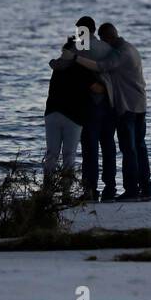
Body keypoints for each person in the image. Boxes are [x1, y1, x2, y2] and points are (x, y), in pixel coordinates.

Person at [74, 23, 151, 201]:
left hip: (127, 107)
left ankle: (132, 190)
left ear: (106, 38)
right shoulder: (131, 48)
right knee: (139, 147)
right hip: (139, 105)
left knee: (129, 149)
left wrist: (76, 58)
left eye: (103, 40)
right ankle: (146, 188)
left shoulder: (120, 53)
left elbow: (101, 66)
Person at [50, 16, 118, 201]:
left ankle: (90, 190)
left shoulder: (80, 47)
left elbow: (63, 64)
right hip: (109, 102)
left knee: (90, 148)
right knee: (109, 146)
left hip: (91, 103)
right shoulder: (107, 48)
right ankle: (110, 188)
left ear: (82, 30)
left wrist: (53, 62)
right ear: (95, 29)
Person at [42, 33, 93, 184]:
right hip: (73, 115)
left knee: (52, 154)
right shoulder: (81, 69)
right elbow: (96, 88)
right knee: (69, 155)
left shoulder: (57, 66)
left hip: (52, 113)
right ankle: (65, 191)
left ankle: (47, 187)